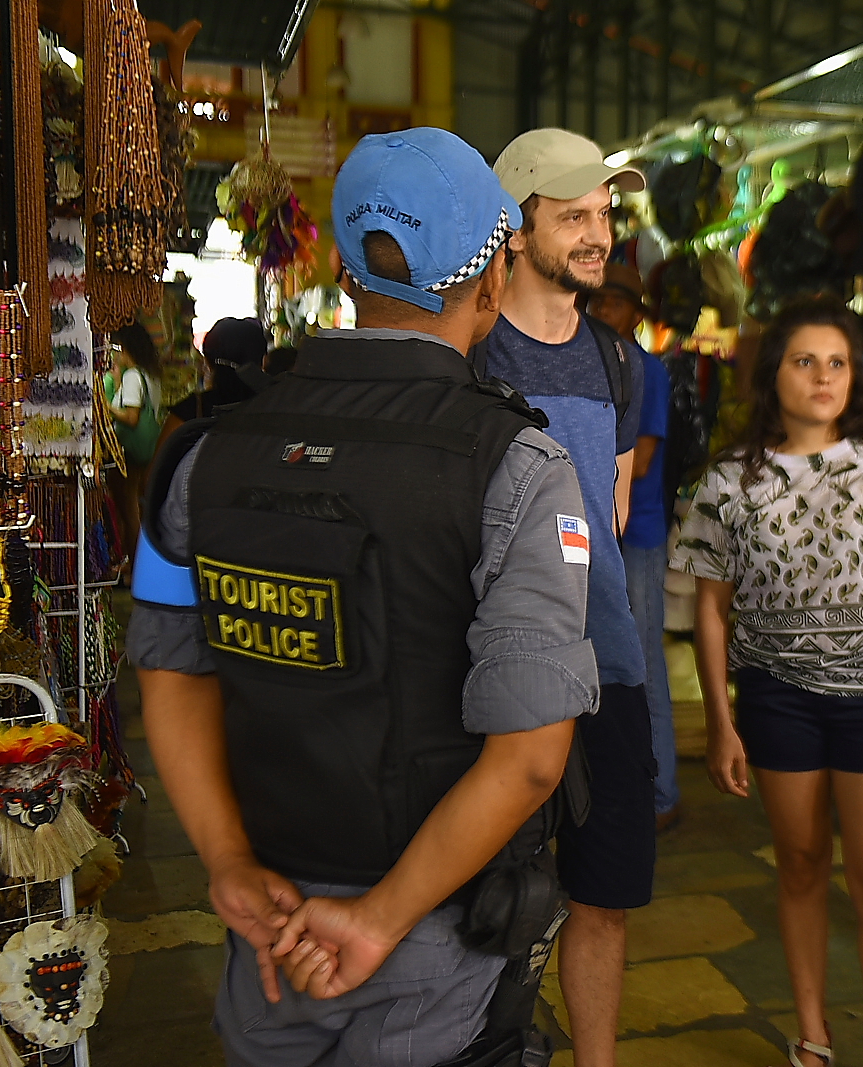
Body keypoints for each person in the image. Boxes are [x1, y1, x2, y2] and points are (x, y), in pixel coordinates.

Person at [126, 127, 598, 1067]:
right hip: (429, 925)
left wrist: (226, 862)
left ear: (347, 276)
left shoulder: (205, 456)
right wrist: (379, 919)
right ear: (494, 281)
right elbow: (534, 759)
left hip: (267, 918)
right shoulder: (517, 468)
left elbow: (167, 674)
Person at [673, 296, 863, 1067]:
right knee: (798, 863)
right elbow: (710, 612)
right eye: (805, 360)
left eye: (837, 362)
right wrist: (721, 722)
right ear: (775, 374)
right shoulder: (729, 479)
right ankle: (813, 1035)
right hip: (777, 697)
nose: (823, 376)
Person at [478, 127, 650, 1067]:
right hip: (496, 673)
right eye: (574, 214)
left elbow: (612, 513)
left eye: (606, 215)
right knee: (486, 893)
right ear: (515, 225)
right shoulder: (471, 348)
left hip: (609, 666)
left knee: (604, 895)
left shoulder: (619, 362)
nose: (598, 235)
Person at [586, 261, 680, 833]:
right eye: (598, 301)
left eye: (614, 303)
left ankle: (662, 794)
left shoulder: (645, 370)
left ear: (636, 314)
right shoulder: (592, 363)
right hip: (601, 531)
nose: (602, 311)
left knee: (642, 665)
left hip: (637, 535)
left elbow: (639, 462)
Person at [157, 317, 273, 450]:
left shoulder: (189, 412)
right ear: (263, 362)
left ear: (207, 363)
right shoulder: (276, 407)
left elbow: (157, 469)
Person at [103, 322, 165, 556]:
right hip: (147, 449)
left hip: (129, 451)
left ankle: (135, 564)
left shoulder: (133, 376)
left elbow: (131, 417)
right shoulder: (150, 374)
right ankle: (137, 562)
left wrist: (105, 406)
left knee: (128, 510)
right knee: (137, 507)